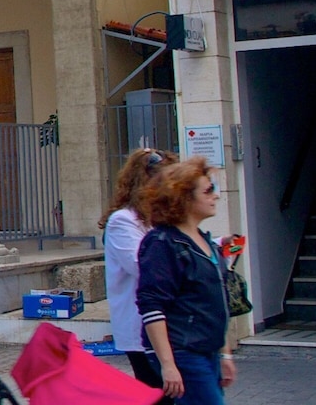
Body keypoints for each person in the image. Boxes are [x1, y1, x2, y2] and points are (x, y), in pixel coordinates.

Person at [134, 157, 237, 405]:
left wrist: (224, 354)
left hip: (206, 348)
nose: (216, 196)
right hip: (183, 350)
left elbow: (215, 302)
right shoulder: (163, 243)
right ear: (184, 198)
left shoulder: (203, 240)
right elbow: (152, 305)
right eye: (208, 190)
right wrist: (168, 364)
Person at [101, 148, 179, 397]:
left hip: (171, 322)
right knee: (155, 392)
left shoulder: (160, 218)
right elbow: (140, 265)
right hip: (140, 325)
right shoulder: (123, 221)